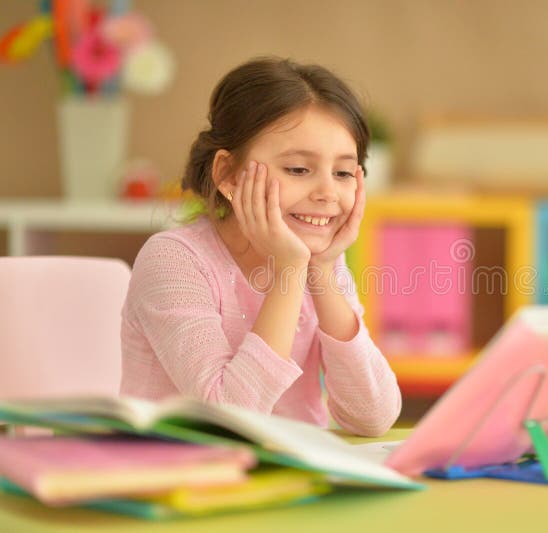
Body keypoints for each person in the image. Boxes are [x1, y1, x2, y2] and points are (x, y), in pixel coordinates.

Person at [120, 57, 401, 437]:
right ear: (228, 174)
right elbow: (229, 421)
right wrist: (290, 272)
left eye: (343, 173)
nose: (327, 193)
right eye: (299, 169)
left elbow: (374, 417)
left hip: (289, 483)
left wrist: (319, 272)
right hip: (181, 479)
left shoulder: (317, 263)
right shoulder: (174, 260)